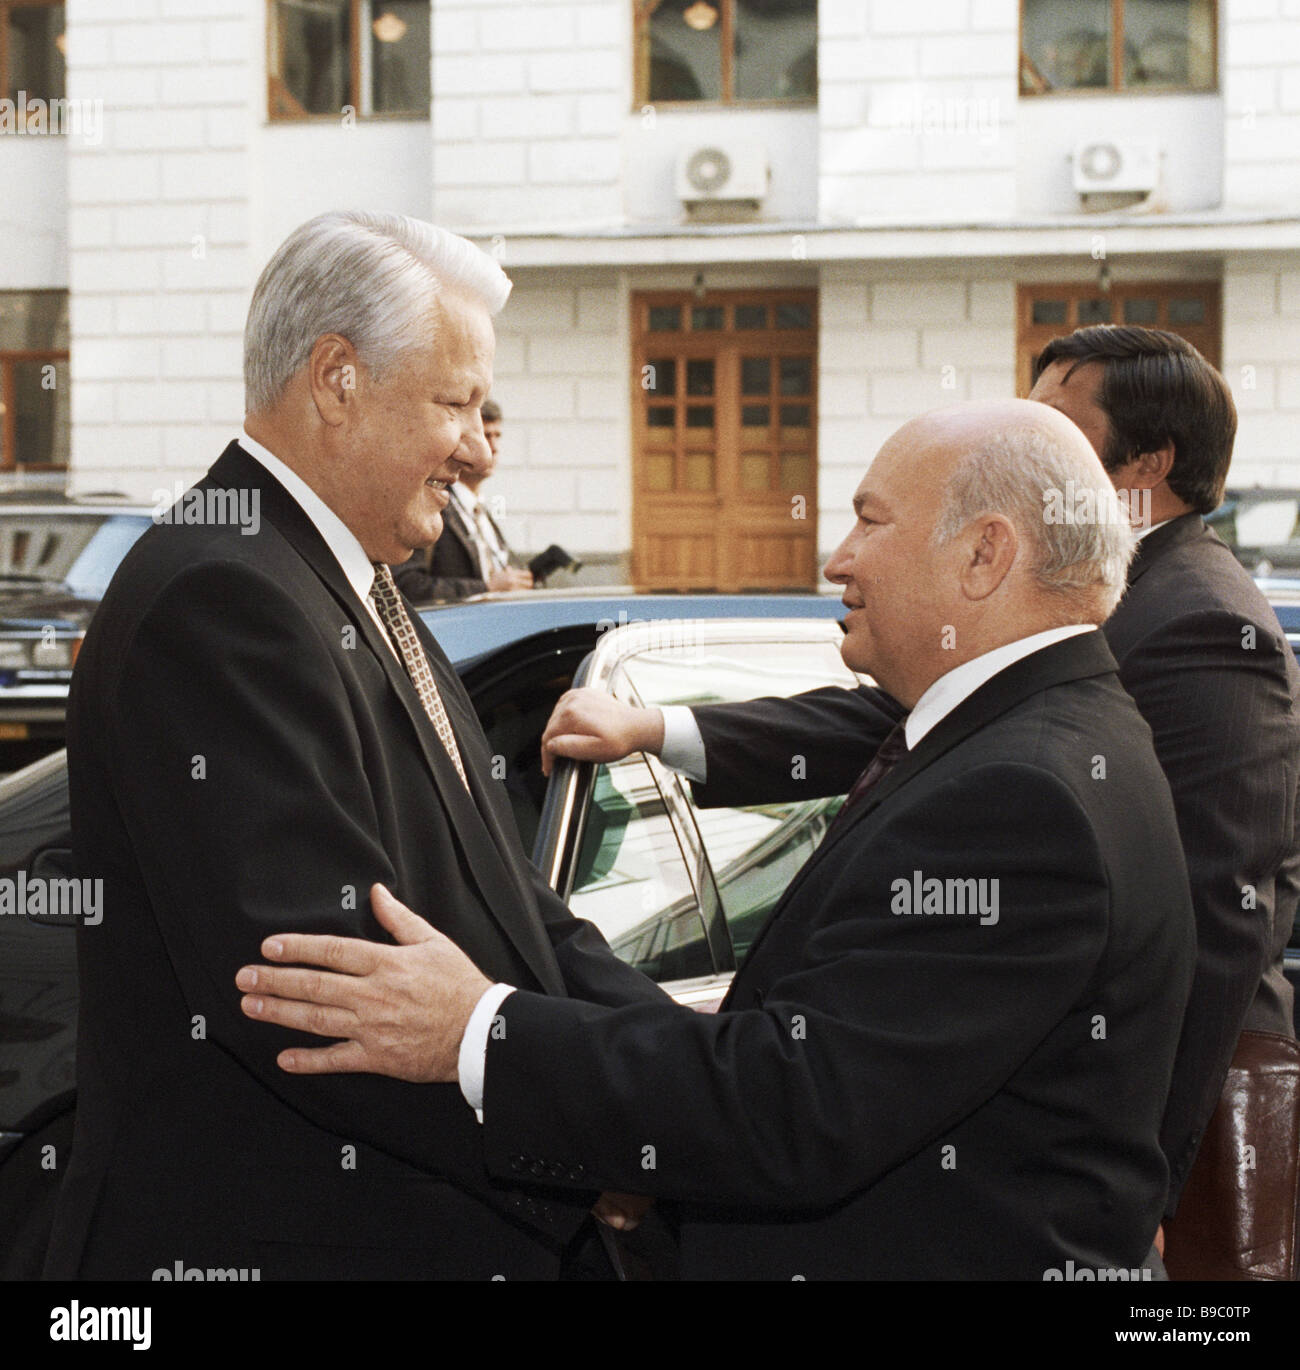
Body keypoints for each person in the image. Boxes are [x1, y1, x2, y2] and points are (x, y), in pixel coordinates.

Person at [237, 399, 1197, 1280]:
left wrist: (474, 1031)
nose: (838, 558)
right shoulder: (1034, 737)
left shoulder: (1021, 794)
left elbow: (796, 1108)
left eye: (871, 519)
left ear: (985, 556)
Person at [560, 325, 1300, 1259]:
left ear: (1147, 462)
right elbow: (903, 722)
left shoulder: (1197, 622)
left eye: (871, 521)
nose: (838, 558)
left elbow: (1221, 920)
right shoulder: (1040, 651)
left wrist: (1148, 1169)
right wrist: (663, 728)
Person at [44, 210, 667, 1281]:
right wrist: (583, 1137)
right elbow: (316, 992)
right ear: (338, 378)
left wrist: (681, 1080)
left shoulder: (340, 577)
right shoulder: (225, 592)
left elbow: (505, 902)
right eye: (455, 403)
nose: (477, 448)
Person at [393, 397, 533, 600]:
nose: (493, 447)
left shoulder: (480, 510)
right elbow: (407, 585)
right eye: (486, 436)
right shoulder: (430, 502)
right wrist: (486, 588)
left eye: (497, 436)